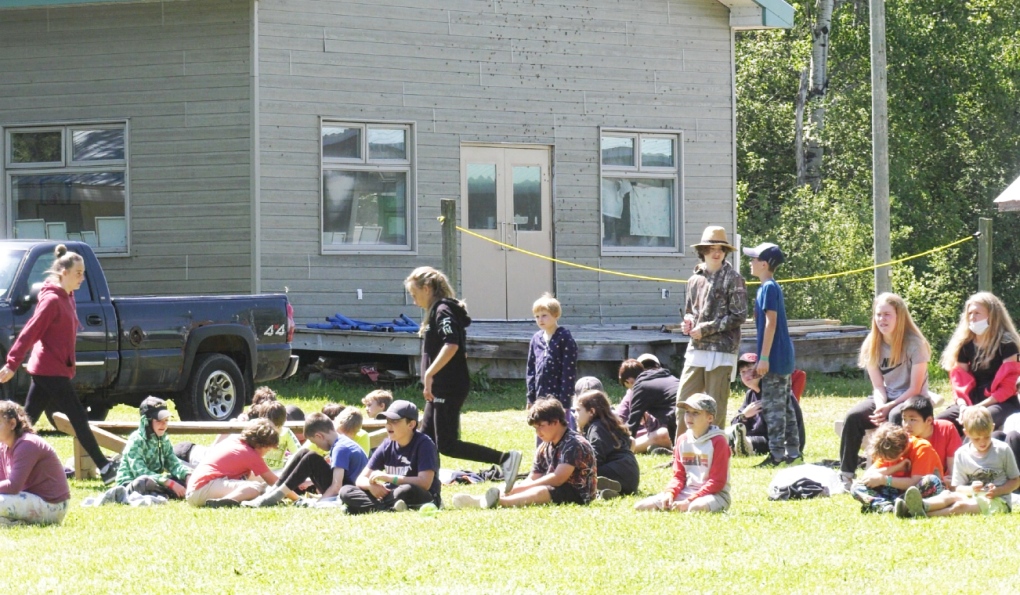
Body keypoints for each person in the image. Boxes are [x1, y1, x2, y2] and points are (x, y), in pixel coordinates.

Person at [0, 245, 117, 483]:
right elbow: (31, 331)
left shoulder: (67, 296)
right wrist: (12, 363)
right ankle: (105, 467)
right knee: (78, 417)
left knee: (25, 423)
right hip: (49, 370)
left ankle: (5, 464)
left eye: (83, 273)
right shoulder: (52, 300)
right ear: (63, 272)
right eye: (78, 273)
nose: (82, 278)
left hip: (52, 369)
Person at [404, 267, 522, 491]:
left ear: (427, 289)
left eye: (414, 293)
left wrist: (429, 374)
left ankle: (505, 459)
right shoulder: (437, 311)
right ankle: (422, 487)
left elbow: (452, 345)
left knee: (446, 444)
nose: (413, 300)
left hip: (448, 386)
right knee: (424, 439)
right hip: (440, 387)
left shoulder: (443, 309)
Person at [838, 293, 933, 488]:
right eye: (878, 315)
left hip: (913, 398)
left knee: (896, 417)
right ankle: (846, 476)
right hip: (887, 396)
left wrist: (889, 408)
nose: (882, 320)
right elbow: (878, 386)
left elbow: (915, 388)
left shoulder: (915, 344)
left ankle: (894, 474)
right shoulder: (871, 344)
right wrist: (880, 406)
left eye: (887, 315)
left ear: (900, 316)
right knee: (853, 417)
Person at [451, 398, 596, 509]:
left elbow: (558, 478)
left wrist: (521, 488)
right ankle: (480, 500)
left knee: (540, 490)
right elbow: (533, 477)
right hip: (555, 488)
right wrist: (514, 488)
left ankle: (501, 502)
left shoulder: (574, 444)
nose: (538, 432)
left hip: (577, 493)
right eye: (535, 428)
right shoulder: (544, 447)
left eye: (541, 426)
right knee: (522, 485)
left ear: (556, 422)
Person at [678, 226, 748, 428]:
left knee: (714, 407)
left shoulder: (734, 278)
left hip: (722, 350)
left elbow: (738, 315)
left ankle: (714, 453)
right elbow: (691, 310)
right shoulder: (694, 279)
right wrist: (688, 322)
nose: (716, 253)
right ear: (703, 252)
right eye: (711, 249)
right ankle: (681, 455)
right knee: (683, 403)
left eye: (721, 248)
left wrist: (706, 329)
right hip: (696, 348)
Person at [898, 407, 1020, 518]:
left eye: (987, 436)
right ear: (966, 433)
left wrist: (999, 490)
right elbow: (957, 488)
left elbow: (1015, 480)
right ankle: (918, 505)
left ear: (992, 428)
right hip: (971, 495)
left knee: (959, 507)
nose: (982, 442)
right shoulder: (962, 453)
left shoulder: (1002, 450)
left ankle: (915, 514)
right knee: (948, 495)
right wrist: (971, 489)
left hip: (997, 501)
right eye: (976, 438)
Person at [743, 242, 800, 467]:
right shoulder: (768, 287)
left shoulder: (768, 288)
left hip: (775, 357)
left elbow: (771, 322)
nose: (750, 263)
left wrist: (764, 358)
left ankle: (777, 455)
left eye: (754, 259)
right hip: (781, 355)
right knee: (785, 404)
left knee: (774, 408)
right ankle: (793, 453)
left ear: (764, 264)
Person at [243, 412, 368, 507]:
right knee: (304, 452)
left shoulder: (340, 448)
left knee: (311, 458)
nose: (318, 446)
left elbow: (336, 486)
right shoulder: (341, 443)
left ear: (319, 436)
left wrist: (318, 503)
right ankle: (273, 492)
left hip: (349, 492)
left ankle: (274, 496)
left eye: (315, 442)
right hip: (345, 487)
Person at [338, 400, 442, 514]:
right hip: (391, 494)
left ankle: (361, 508)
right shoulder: (387, 445)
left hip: (420, 494)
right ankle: (387, 507)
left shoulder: (424, 444)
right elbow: (360, 479)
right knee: (345, 491)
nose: (388, 425)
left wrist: (389, 478)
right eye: (387, 421)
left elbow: (424, 483)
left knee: (405, 490)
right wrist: (370, 486)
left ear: (411, 424)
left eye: (395, 421)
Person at [937, 292, 1020, 434]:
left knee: (979, 422)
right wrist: (963, 407)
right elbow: (960, 383)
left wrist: (978, 408)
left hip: (1001, 402)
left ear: (992, 316)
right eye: (969, 313)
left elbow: (1009, 386)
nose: (972, 317)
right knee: (940, 423)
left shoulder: (1007, 344)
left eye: (977, 313)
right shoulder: (965, 345)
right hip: (971, 402)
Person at [634, 394, 731, 513]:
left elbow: (717, 482)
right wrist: (670, 493)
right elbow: (679, 475)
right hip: (687, 492)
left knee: (695, 508)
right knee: (641, 506)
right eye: (687, 412)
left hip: (714, 495)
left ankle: (687, 506)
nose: (689, 416)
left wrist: (689, 500)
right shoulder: (682, 440)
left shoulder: (718, 441)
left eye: (695, 413)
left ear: (709, 418)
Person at [0, 400, 70, 526]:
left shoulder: (27, 444)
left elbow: (13, 485)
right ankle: (15, 523)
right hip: (29, 499)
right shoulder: (4, 446)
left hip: (52, 505)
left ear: (12, 424)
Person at [849, 422, 943, 514]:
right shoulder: (888, 451)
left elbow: (914, 482)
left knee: (932, 481)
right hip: (895, 492)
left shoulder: (922, 448)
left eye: (890, 459)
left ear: (901, 451)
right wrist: (897, 467)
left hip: (917, 492)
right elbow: (867, 477)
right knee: (857, 486)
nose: (887, 461)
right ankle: (890, 508)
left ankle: (888, 505)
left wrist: (884, 480)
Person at [185, 418, 280, 508]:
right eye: (267, 450)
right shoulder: (250, 453)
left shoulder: (235, 442)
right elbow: (274, 482)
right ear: (260, 445)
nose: (264, 455)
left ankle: (224, 500)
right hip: (201, 489)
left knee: (257, 483)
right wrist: (295, 497)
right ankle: (225, 501)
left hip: (195, 490)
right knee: (255, 487)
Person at [726, 353, 805, 459]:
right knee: (727, 433)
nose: (746, 375)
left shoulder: (776, 391)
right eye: (743, 372)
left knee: (753, 441)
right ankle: (738, 445)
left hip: (775, 440)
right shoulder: (750, 394)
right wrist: (744, 416)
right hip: (754, 436)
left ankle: (745, 446)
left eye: (750, 369)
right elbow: (735, 424)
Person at [113, 396, 191, 499]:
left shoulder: (164, 439)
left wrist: (187, 475)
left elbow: (173, 463)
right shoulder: (136, 440)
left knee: (182, 479)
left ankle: (163, 493)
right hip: (132, 482)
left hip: (155, 481)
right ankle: (163, 493)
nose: (164, 424)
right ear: (146, 421)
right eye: (159, 420)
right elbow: (140, 471)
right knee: (143, 482)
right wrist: (169, 483)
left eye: (166, 420)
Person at [526, 293, 578, 427]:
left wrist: (565, 401)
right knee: (541, 427)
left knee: (559, 428)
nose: (540, 319)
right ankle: (543, 449)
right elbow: (531, 370)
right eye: (537, 316)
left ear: (555, 315)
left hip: (558, 397)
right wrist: (530, 397)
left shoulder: (564, 338)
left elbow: (568, 371)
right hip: (540, 396)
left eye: (544, 315)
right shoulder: (536, 339)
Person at [575, 389, 639, 499]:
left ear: (591, 411)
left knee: (578, 477)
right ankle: (608, 491)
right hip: (631, 476)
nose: (575, 415)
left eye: (578, 410)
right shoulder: (609, 424)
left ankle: (598, 486)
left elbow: (595, 457)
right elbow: (631, 442)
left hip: (615, 471)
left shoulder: (596, 428)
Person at [618, 357, 677, 454]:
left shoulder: (641, 386)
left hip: (676, 416)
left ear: (628, 381)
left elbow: (632, 425)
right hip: (688, 409)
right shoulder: (668, 377)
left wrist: (621, 450)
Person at [898, 395, 960, 483]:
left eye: (912, 419)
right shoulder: (904, 438)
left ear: (929, 420)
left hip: (943, 482)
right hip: (914, 483)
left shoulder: (946, 428)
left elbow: (954, 465)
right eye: (904, 419)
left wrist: (951, 481)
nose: (906, 425)